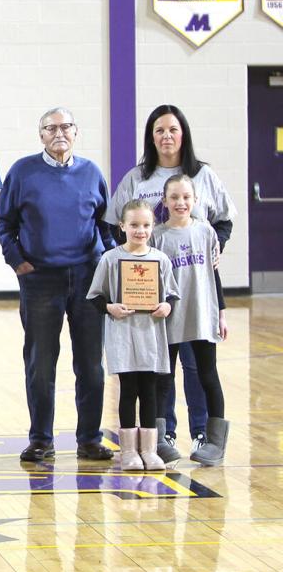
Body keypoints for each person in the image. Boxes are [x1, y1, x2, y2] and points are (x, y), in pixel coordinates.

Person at [105, 104, 236, 459]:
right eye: (159, 130)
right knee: (161, 370)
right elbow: (114, 225)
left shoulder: (203, 178)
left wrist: (213, 248)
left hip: (199, 292)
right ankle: (164, 436)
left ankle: (204, 436)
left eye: (173, 130)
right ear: (151, 136)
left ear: (183, 134)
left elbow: (224, 222)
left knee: (201, 369)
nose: (166, 136)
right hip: (159, 296)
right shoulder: (138, 178)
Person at [0, 108, 115, 463]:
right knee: (40, 363)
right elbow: (5, 223)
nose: (59, 132)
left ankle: (90, 439)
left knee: (91, 364)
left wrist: (111, 264)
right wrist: (18, 262)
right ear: (41, 135)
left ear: (76, 132)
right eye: (51, 128)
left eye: (66, 126)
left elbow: (105, 225)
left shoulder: (92, 172)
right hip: (40, 279)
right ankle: (41, 440)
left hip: (87, 277)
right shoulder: (22, 171)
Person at [86, 199, 178, 471]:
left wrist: (166, 305)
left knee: (149, 391)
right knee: (128, 391)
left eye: (146, 225)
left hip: (150, 336)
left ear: (153, 227)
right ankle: (128, 452)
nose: (140, 230)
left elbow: (171, 294)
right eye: (135, 225)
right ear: (122, 226)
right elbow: (94, 297)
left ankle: (148, 450)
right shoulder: (110, 259)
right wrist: (110, 307)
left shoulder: (160, 259)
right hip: (123, 337)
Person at [151, 174, 229, 465]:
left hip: (201, 314)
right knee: (163, 378)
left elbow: (215, 275)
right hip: (168, 317)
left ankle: (215, 443)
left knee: (208, 375)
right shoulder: (157, 235)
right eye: (174, 197)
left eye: (186, 197)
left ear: (195, 200)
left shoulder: (206, 231)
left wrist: (221, 312)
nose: (181, 202)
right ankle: (159, 439)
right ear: (165, 201)